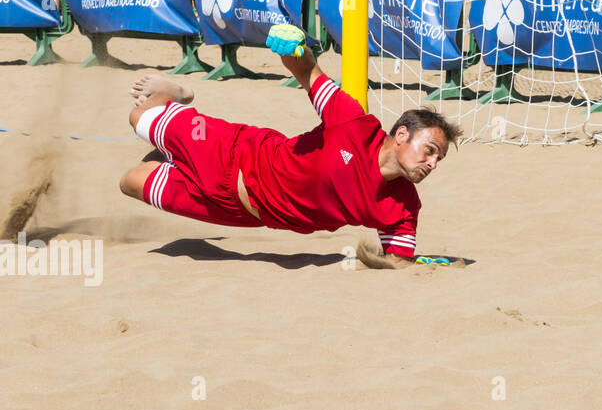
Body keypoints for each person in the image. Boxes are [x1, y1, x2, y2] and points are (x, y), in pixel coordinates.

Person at [117, 25, 461, 266]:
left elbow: (398, 262)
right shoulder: (354, 124)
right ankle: (176, 95)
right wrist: (296, 48)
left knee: (130, 182)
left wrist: (430, 263)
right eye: (430, 150)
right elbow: (308, 73)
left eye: (440, 159)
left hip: (239, 212)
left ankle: (170, 149)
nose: (432, 163)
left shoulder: (403, 208)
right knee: (138, 117)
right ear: (401, 135)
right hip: (232, 153)